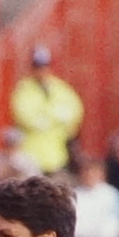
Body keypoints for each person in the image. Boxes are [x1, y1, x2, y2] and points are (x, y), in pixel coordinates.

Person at [10, 46, 85, 176]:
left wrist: (49, 118)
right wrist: (55, 116)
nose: (42, 71)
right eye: (38, 67)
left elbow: (75, 110)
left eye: (45, 66)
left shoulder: (59, 87)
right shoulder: (24, 89)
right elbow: (26, 117)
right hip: (32, 152)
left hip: (58, 150)